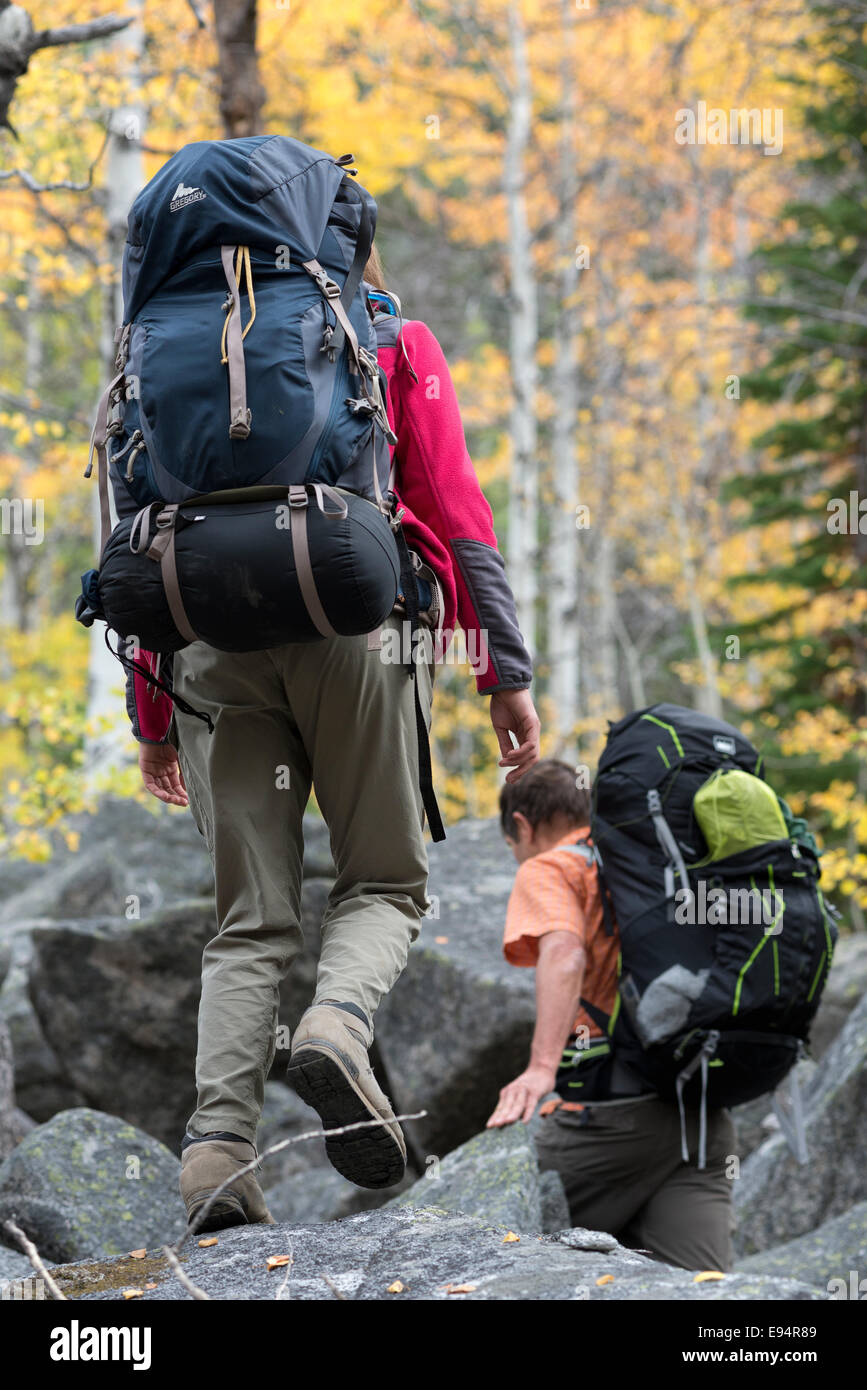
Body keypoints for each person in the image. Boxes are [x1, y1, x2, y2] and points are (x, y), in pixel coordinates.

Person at [129, 245, 540, 1230]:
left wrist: (152, 715)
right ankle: (337, 1025)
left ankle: (218, 1155)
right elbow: (454, 507)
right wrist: (504, 671)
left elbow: (138, 525)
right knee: (385, 882)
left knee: (248, 918)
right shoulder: (394, 338)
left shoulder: (170, 350)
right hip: (361, 623)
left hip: (210, 643)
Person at [487, 759, 735, 1272]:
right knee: (698, 1284)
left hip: (616, 1122)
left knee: (474, 1219)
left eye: (512, 846)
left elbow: (565, 954)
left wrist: (541, 1070)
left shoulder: (551, 867)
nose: (517, 857)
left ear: (522, 827)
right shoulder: (651, 863)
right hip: (704, 1116)